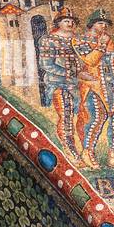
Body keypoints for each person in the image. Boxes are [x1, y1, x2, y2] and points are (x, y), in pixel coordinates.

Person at [75, 9, 114, 169]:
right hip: (95, 87)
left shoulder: (110, 40)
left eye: (106, 24)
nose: (104, 26)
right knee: (97, 119)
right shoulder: (80, 40)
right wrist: (101, 45)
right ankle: (87, 153)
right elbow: (91, 60)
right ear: (92, 24)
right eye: (101, 23)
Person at [37, 13, 89, 164]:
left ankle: (86, 151)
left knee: (86, 116)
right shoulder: (49, 40)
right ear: (58, 23)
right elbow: (47, 65)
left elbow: (88, 59)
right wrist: (75, 73)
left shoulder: (79, 40)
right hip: (59, 83)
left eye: (72, 21)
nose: (70, 23)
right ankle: (70, 150)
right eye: (66, 20)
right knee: (66, 116)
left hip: (81, 85)